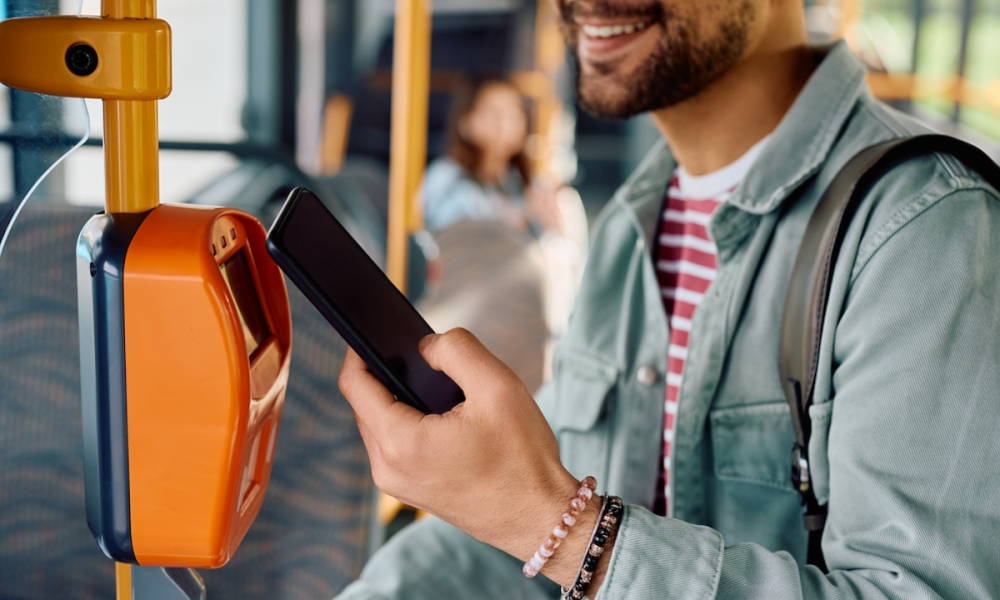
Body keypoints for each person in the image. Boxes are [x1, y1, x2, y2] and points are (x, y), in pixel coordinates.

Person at [337, 0, 1000, 598]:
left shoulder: (924, 227)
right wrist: (515, 507)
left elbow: (545, 523)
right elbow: (515, 537)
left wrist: (562, 530)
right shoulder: (630, 227)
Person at [421, 78, 560, 233]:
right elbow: (435, 229)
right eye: (495, 114)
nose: (508, 123)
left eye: (515, 113)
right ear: (466, 123)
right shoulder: (445, 176)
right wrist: (517, 217)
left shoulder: (523, 182)